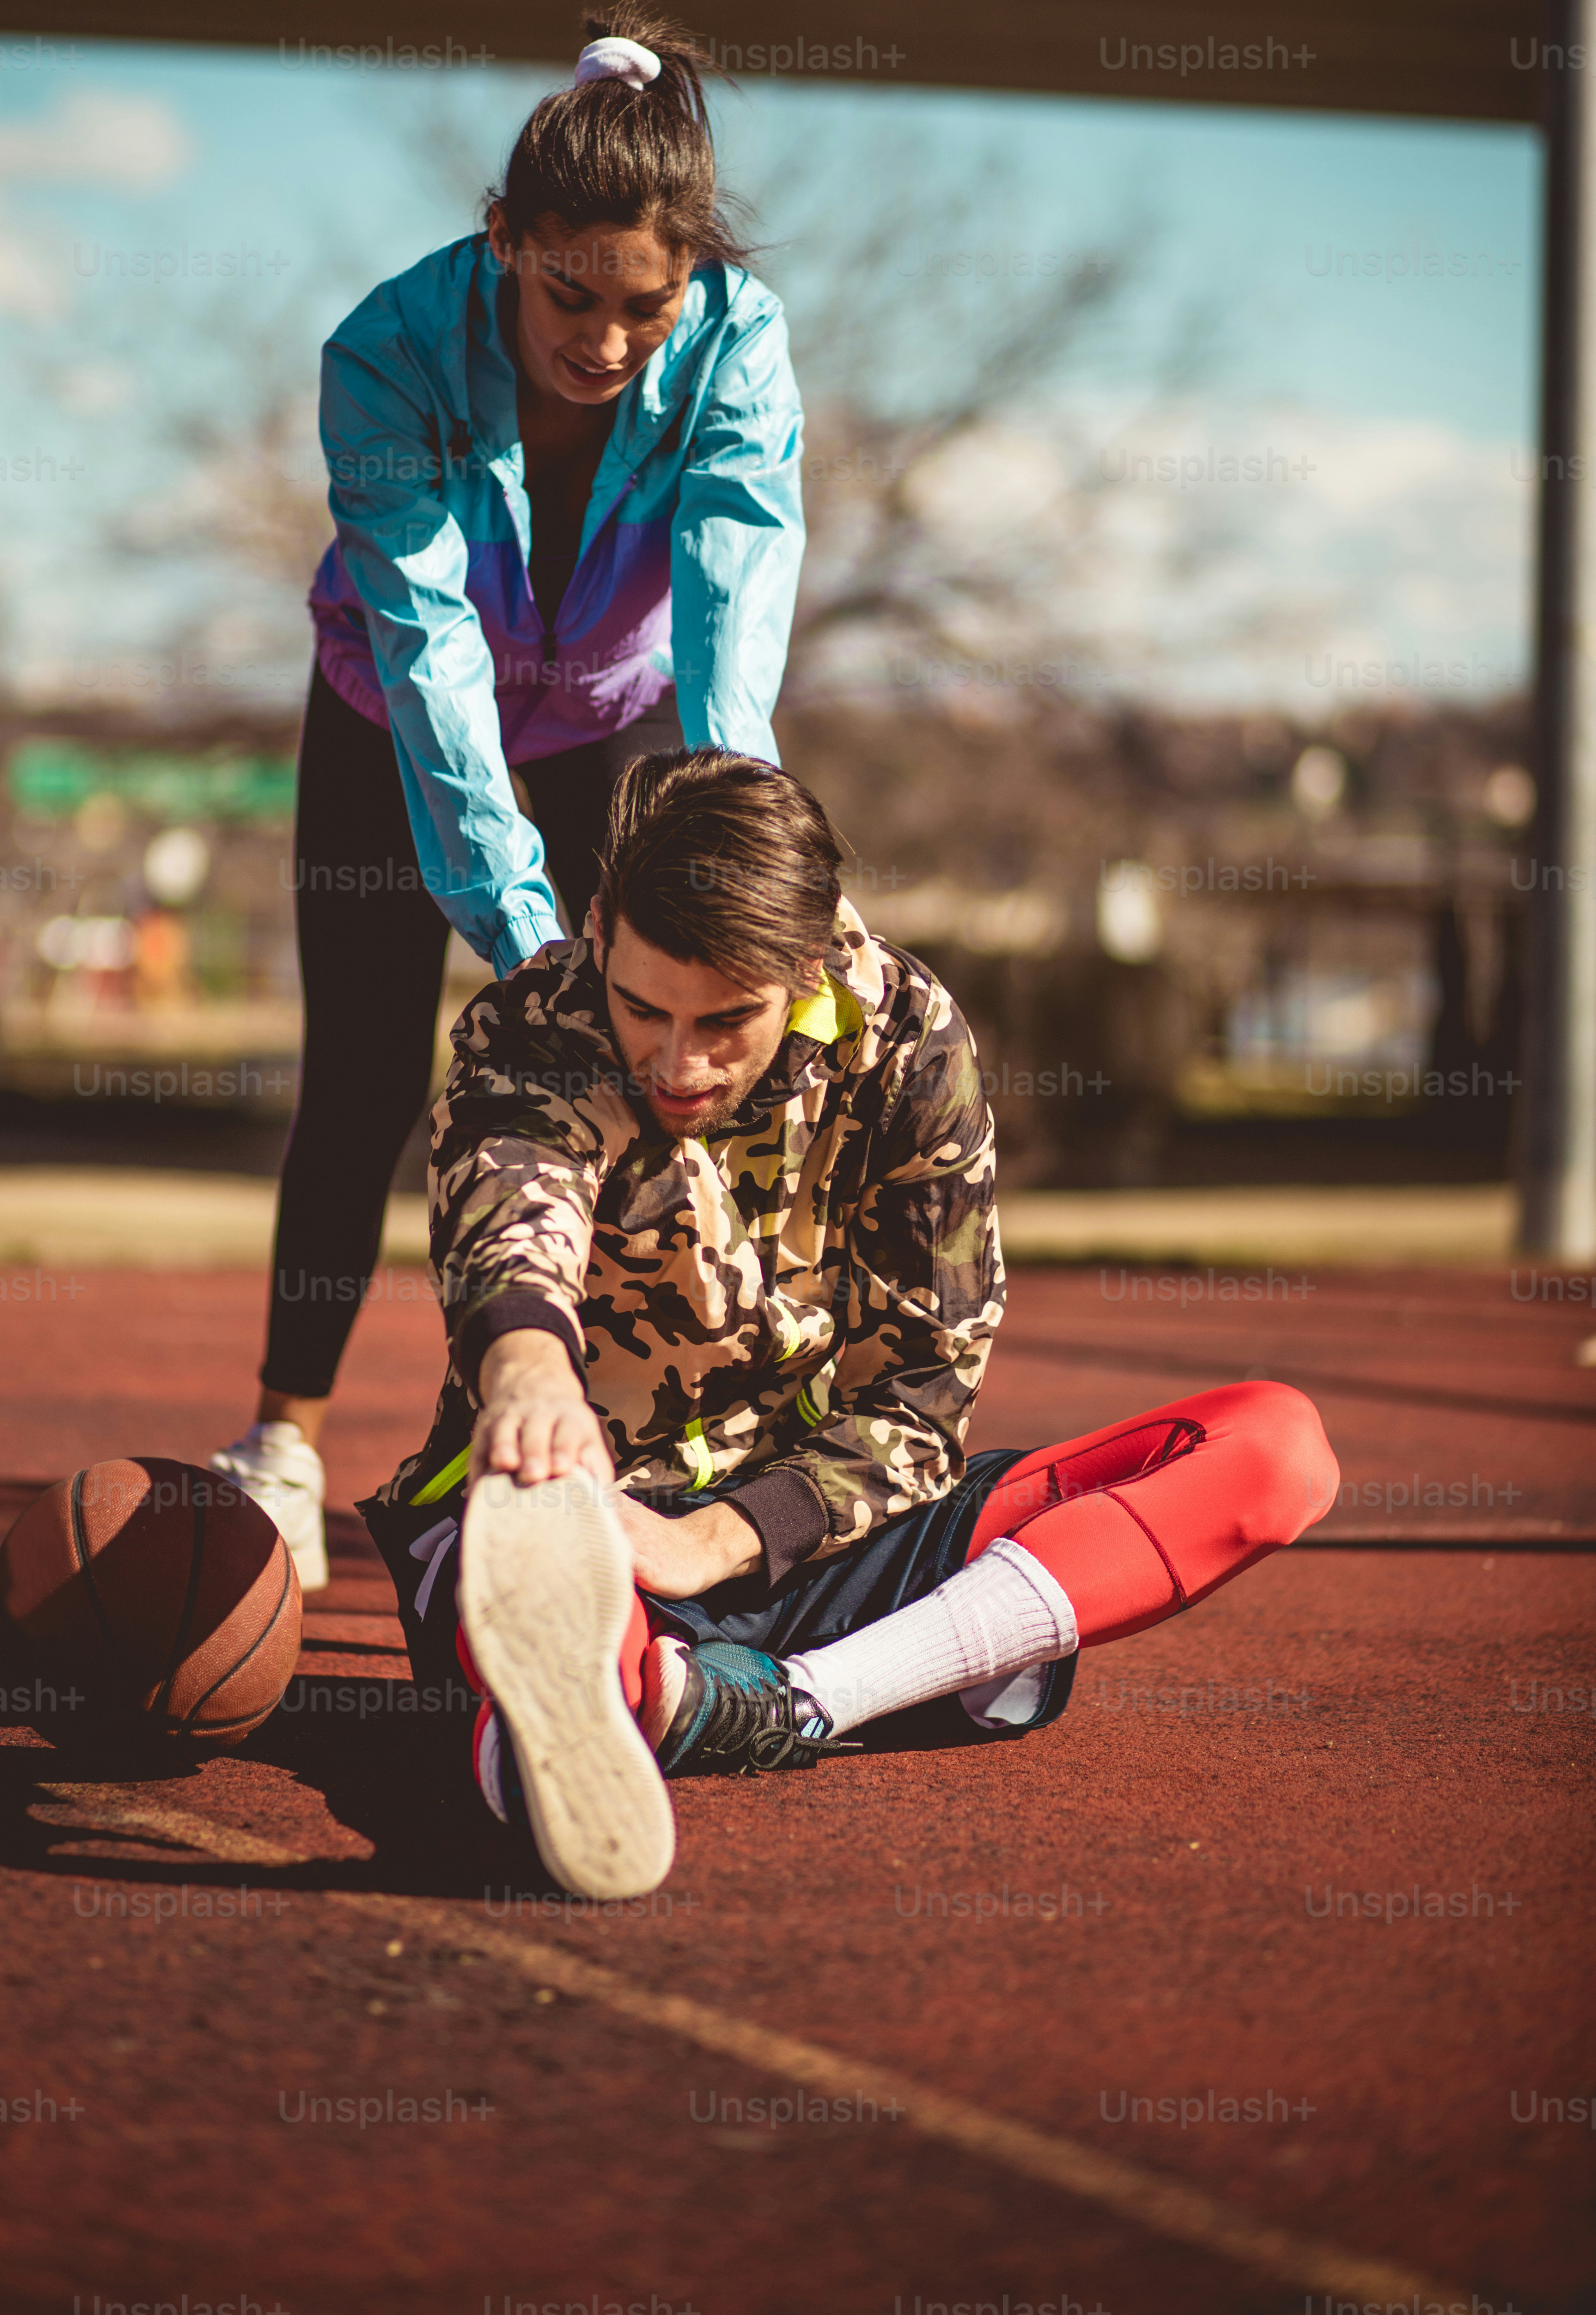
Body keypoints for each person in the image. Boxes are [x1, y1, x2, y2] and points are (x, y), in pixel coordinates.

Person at [363, 748, 1341, 1902]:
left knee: (1272, 1447)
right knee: (526, 1572)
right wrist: (529, 1376)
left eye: (727, 1021)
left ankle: (791, 1700)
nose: (677, 1062)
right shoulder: (531, 1026)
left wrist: (722, 1537)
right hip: (580, 1525)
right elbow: (512, 1219)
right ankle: (594, 1705)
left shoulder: (911, 1038)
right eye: (643, 1007)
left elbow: (926, 1394)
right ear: (600, 932)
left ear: (809, 966)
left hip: (815, 1533)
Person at [210, 4, 805, 1587]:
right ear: (504, 241)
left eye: (643, 306)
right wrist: (531, 931)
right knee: (364, 1080)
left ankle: (606, 1443)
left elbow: (732, 595)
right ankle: (281, 1439)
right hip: (388, 721)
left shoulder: (737, 338)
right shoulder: (385, 351)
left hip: (609, 725)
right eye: (567, 291)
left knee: (642, 1075)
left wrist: (729, 815)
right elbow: (430, 650)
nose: (605, 341)